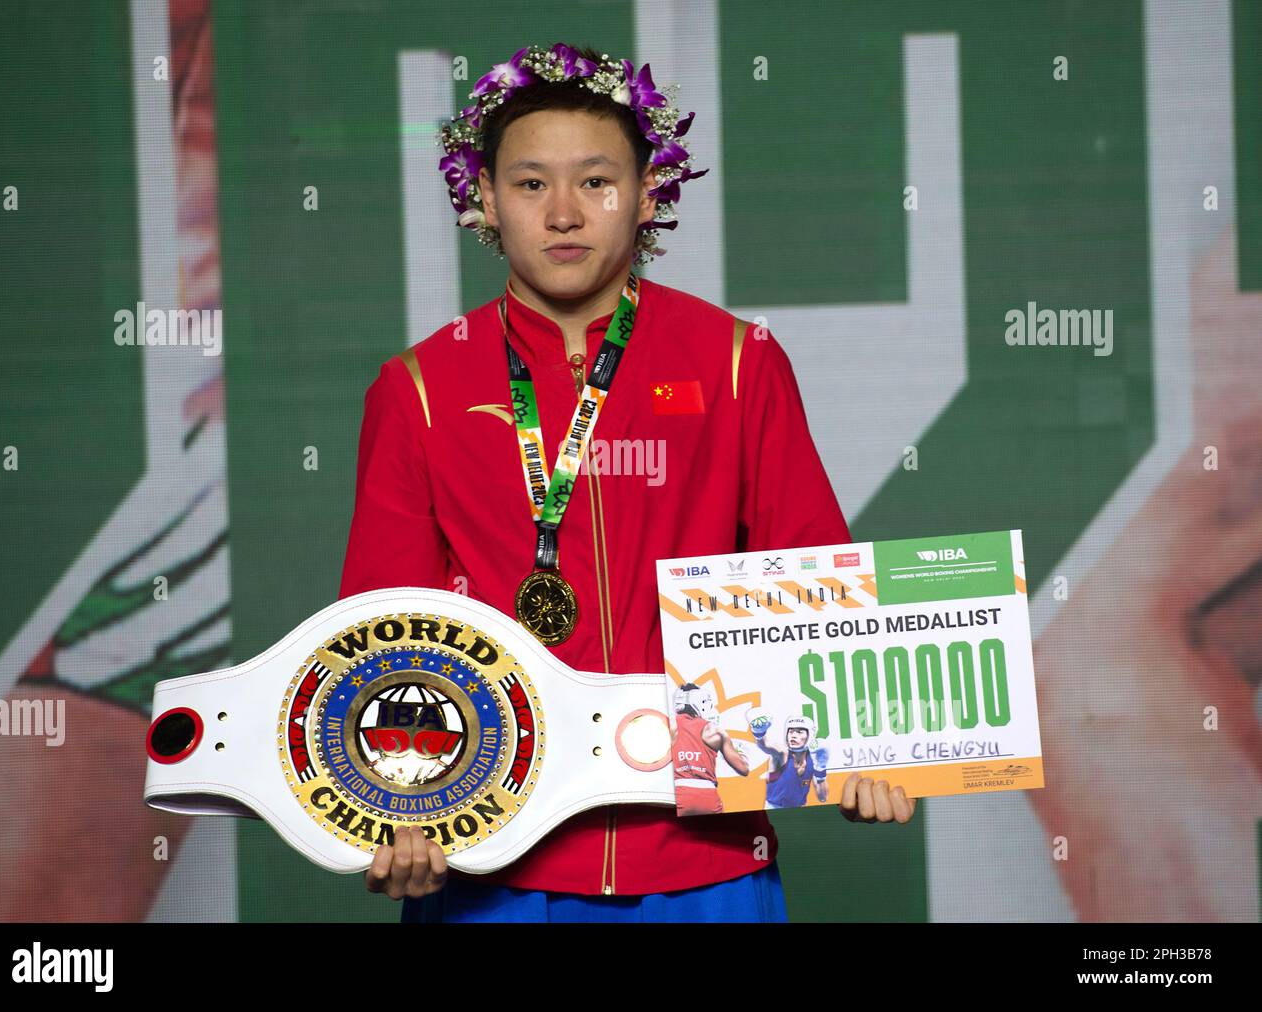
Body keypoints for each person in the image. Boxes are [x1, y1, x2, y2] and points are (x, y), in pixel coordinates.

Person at [341, 41, 915, 924]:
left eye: (596, 182)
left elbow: (811, 567)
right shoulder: (419, 385)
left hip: (706, 860)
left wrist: (865, 742)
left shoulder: (735, 362)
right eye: (531, 184)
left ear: (649, 192)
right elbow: (380, 626)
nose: (564, 213)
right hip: (494, 862)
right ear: (484, 197)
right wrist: (394, 806)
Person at [672, 682, 750, 816]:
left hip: (678, 794)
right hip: (707, 797)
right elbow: (744, 769)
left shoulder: (668, 726)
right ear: (701, 701)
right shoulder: (714, 731)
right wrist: (742, 752)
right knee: (714, 837)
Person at [747, 710, 830, 809]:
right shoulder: (782, 753)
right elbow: (765, 745)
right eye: (791, 731)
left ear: (810, 735)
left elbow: (823, 797)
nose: (793, 735)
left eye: (799, 732)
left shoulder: (813, 759)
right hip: (774, 809)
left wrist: (821, 768)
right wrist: (759, 733)